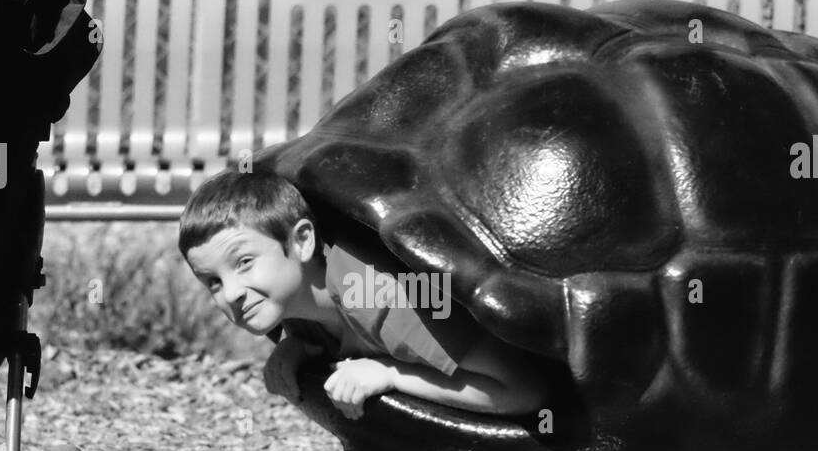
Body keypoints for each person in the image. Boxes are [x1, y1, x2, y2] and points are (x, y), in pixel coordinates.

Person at [178, 171, 548, 419]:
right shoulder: (290, 300)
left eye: (243, 262)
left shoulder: (381, 300)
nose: (232, 293)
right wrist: (300, 346)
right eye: (212, 281)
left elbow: (525, 391)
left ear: (303, 241)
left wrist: (390, 374)